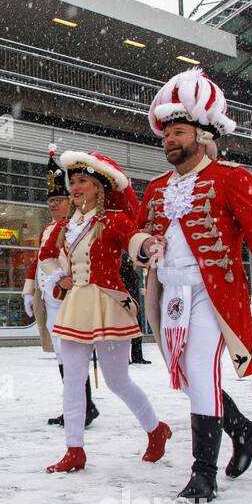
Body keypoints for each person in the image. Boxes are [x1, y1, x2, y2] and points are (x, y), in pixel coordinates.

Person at [130, 69, 252, 502]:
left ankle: (203, 474)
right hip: (168, 295)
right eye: (165, 133)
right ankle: (245, 432)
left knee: (201, 373)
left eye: (178, 132)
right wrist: (143, 244)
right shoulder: (157, 187)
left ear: (203, 135)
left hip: (211, 293)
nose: (168, 140)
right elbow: (137, 234)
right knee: (186, 377)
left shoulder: (231, 177)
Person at [38, 151, 170, 473]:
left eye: (83, 181)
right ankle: (74, 449)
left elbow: (133, 239)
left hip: (108, 303)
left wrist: (149, 245)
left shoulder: (112, 220)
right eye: (72, 181)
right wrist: (59, 276)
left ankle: (156, 430)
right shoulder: (65, 226)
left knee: (117, 380)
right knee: (72, 379)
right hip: (74, 305)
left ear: (99, 186)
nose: (75, 187)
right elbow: (46, 256)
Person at [25, 149, 99, 428]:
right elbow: (38, 261)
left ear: (71, 201)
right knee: (60, 354)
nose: (54, 206)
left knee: (72, 355)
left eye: (59, 200)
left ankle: (82, 406)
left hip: (69, 298)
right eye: (51, 202)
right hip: (50, 300)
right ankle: (78, 405)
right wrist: (28, 292)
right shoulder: (48, 230)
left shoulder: (78, 227)